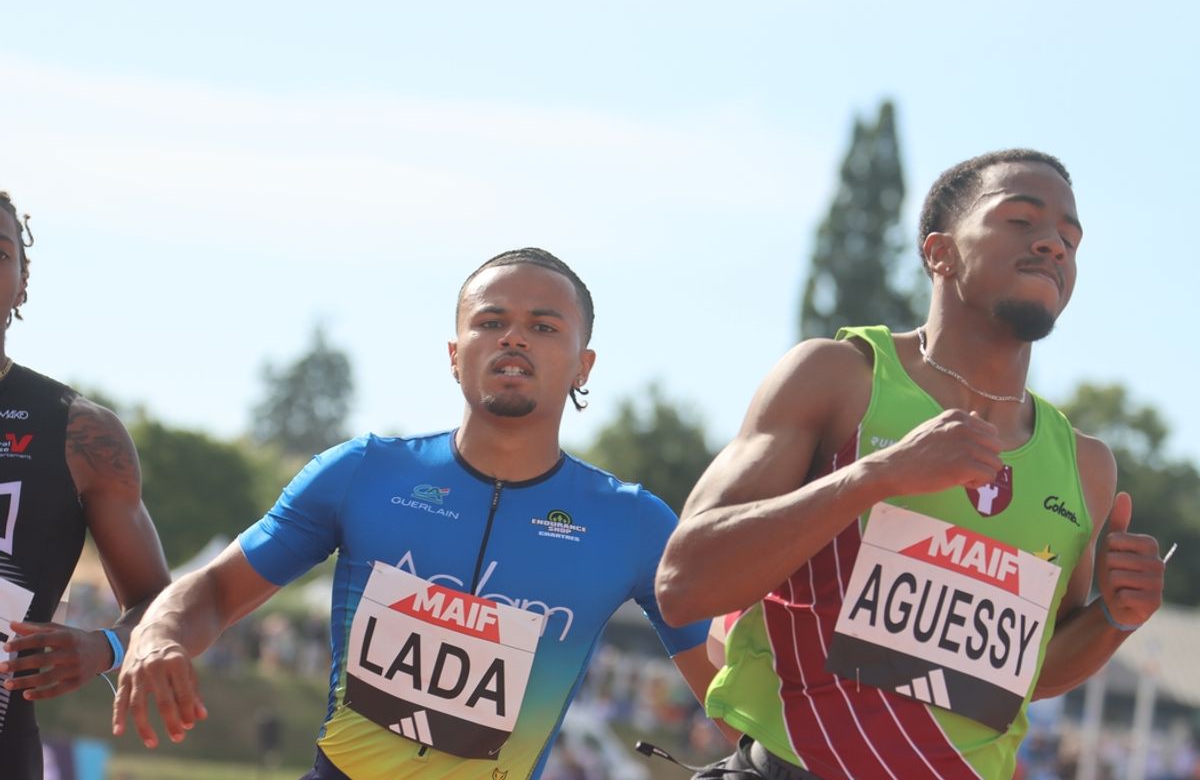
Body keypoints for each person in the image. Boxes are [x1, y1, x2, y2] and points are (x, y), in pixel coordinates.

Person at [114, 249, 724, 779]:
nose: (514, 338)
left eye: (543, 326)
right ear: (455, 354)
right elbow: (216, 593)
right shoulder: (361, 473)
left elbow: (729, 696)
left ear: (583, 366)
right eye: (491, 321)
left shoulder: (635, 523)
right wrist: (159, 635)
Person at [655, 150, 1167, 780]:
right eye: (1020, 219)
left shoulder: (1086, 466)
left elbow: (1030, 673)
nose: (1054, 245)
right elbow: (683, 584)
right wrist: (874, 476)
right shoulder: (841, 379)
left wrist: (1115, 618)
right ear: (940, 252)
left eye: (1070, 237)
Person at [0, 191, 171, 778]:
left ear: (23, 284)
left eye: (0, 254)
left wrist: (105, 646)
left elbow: (161, 606)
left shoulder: (79, 432)